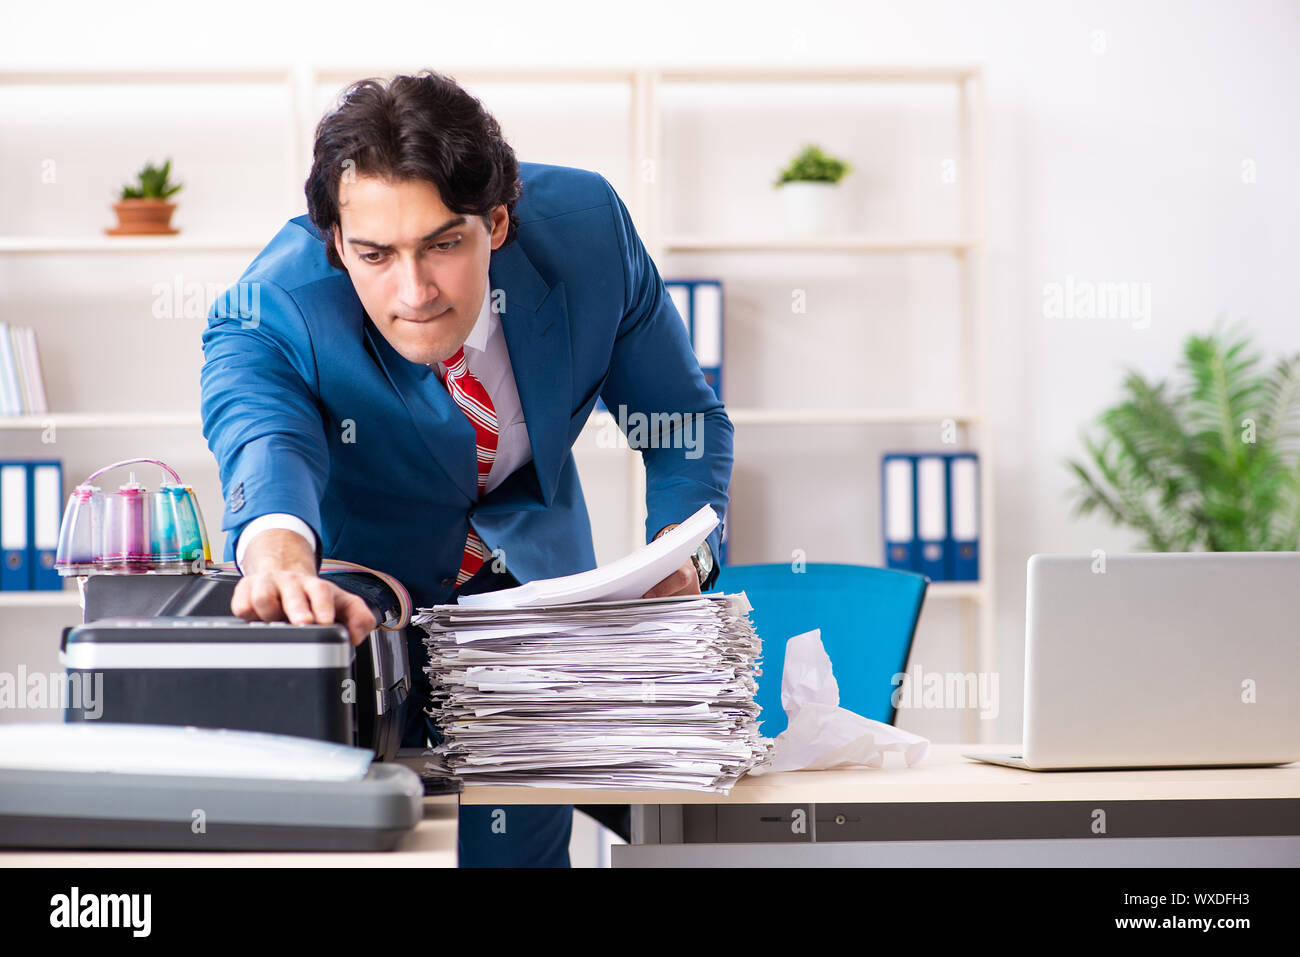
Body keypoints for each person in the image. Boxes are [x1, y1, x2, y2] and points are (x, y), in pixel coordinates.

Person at [199, 70, 733, 867]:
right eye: (374, 254)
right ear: (337, 240)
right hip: (358, 628)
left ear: (499, 221)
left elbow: (681, 420)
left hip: (531, 636)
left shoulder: (588, 236)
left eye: (444, 244)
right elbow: (263, 440)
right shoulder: (273, 308)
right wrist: (277, 554)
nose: (412, 291)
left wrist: (682, 554)